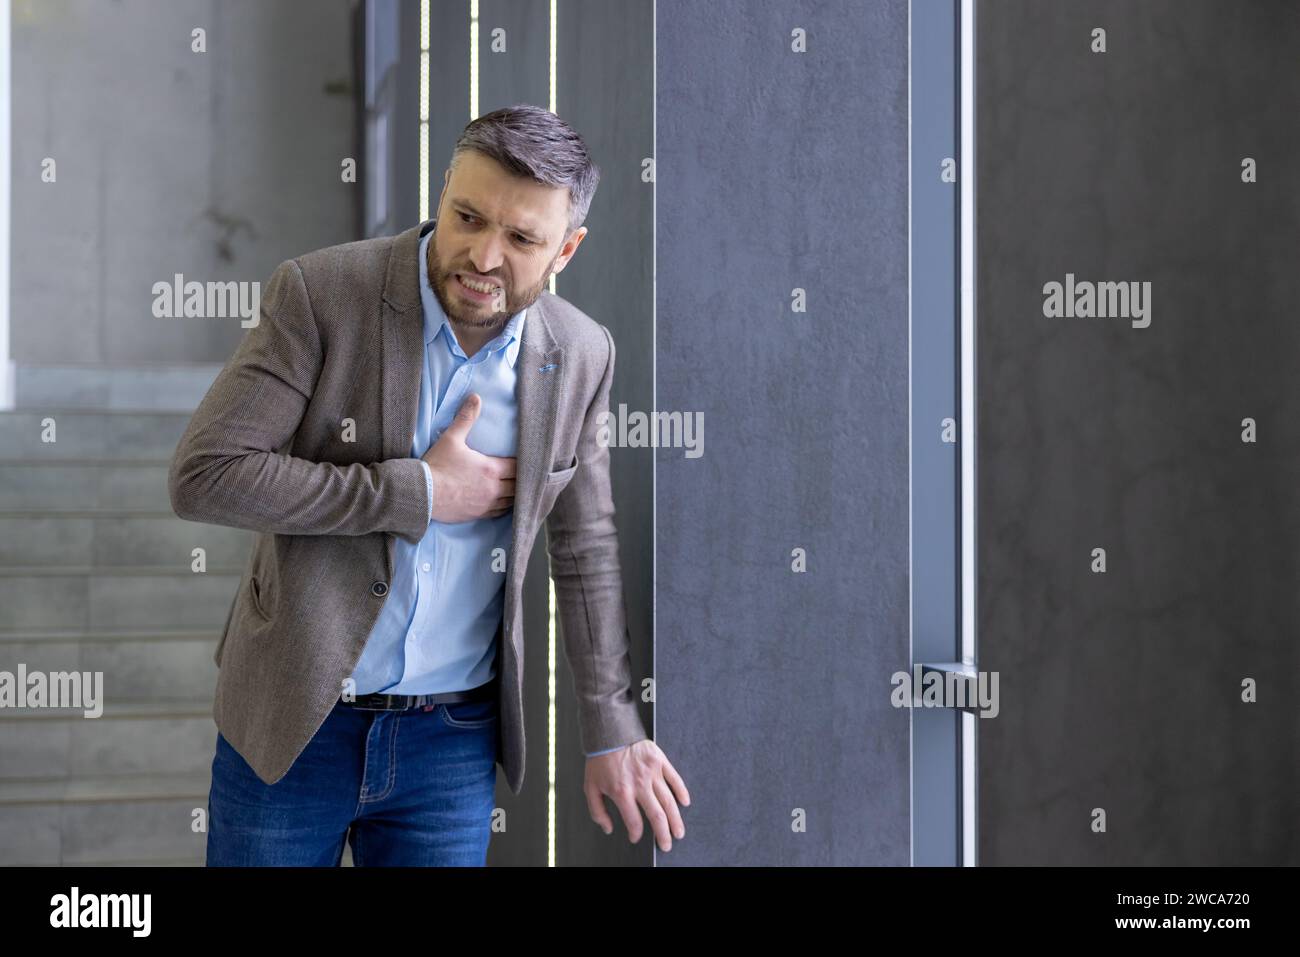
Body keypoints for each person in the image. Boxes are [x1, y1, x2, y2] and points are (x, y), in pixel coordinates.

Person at [169, 104, 688, 865]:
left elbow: (586, 544)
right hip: (291, 723)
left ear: (565, 250)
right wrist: (413, 492)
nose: (482, 256)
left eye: (520, 238)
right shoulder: (321, 294)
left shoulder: (580, 353)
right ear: (442, 193)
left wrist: (612, 722)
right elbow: (205, 475)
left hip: (450, 746)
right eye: (467, 216)